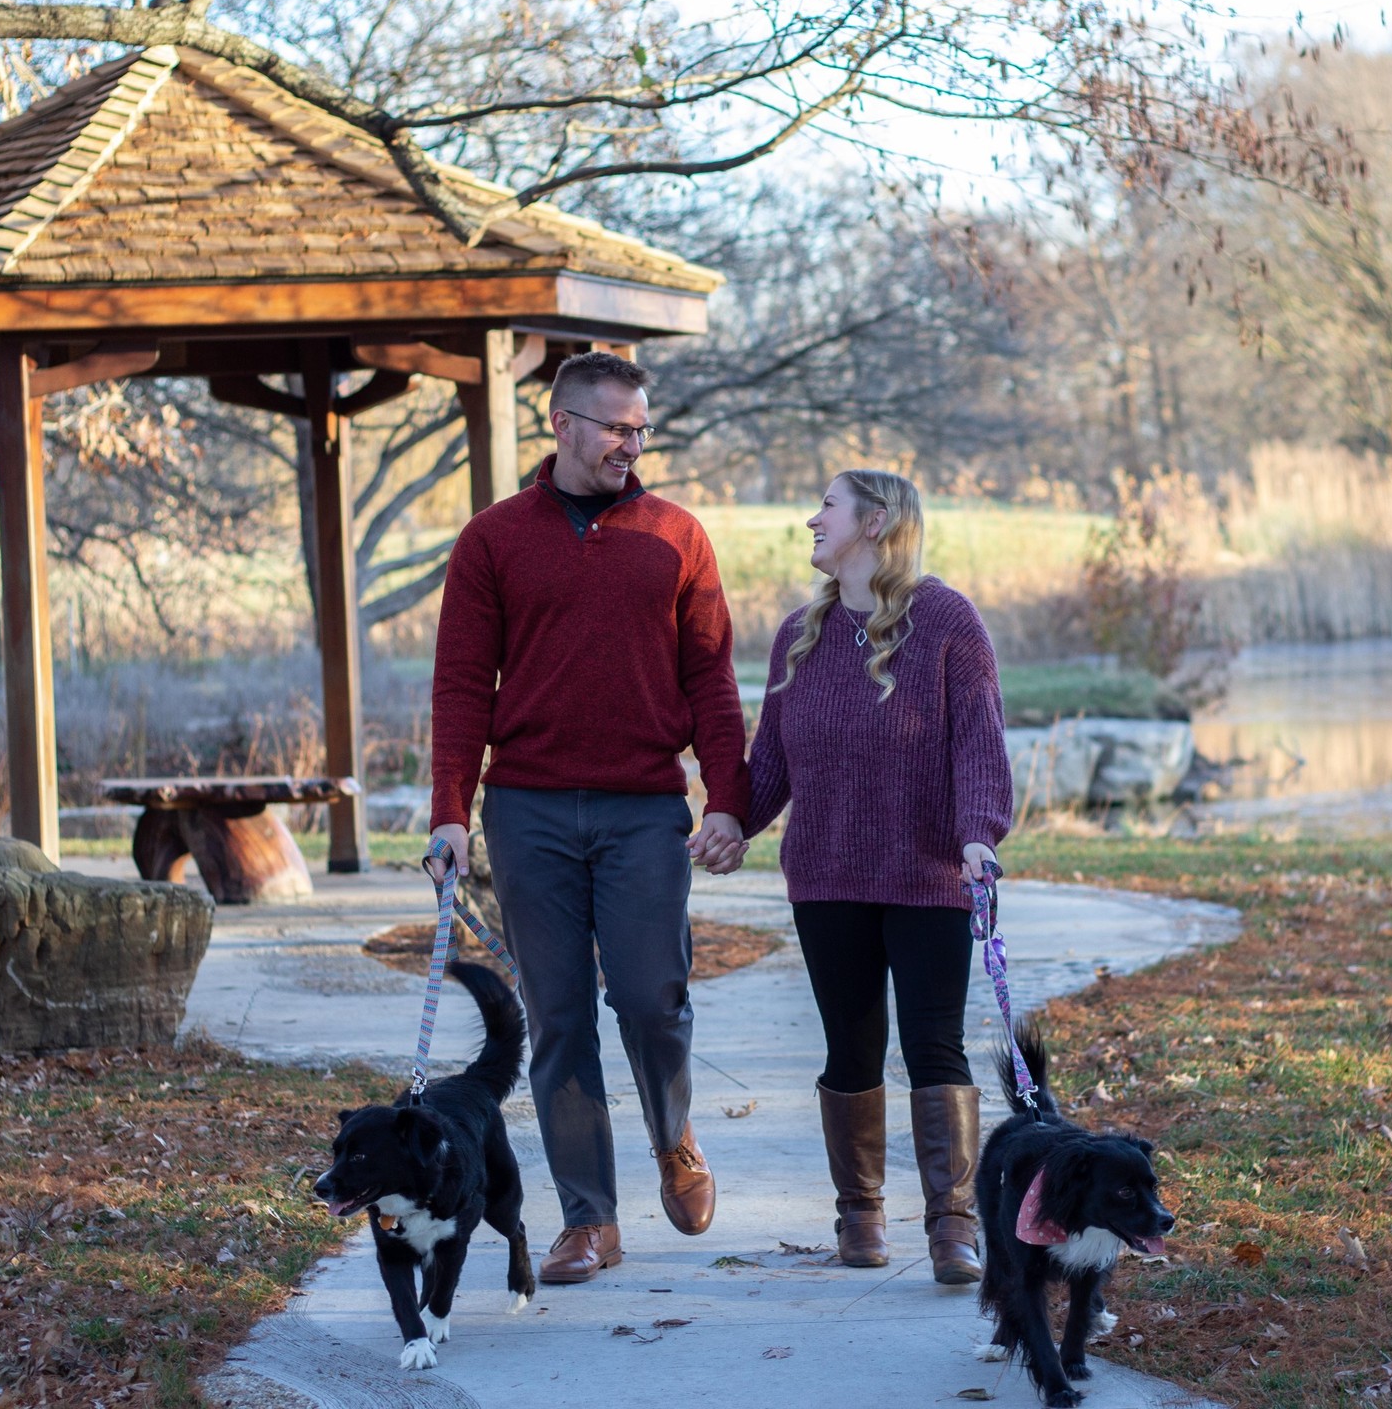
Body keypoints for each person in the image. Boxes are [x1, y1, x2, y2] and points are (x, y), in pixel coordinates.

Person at [427, 351, 750, 1285]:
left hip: (643, 805)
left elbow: (711, 681)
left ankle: (673, 1133)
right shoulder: (492, 540)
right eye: (616, 427)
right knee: (558, 1013)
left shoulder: (676, 537)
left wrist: (725, 797)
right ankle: (589, 1220)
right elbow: (460, 687)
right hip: (526, 808)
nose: (632, 444)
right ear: (562, 424)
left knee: (652, 998)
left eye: (641, 429)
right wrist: (451, 810)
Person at [744, 468, 1012, 1285]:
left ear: (876, 521)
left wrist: (978, 836)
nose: (811, 519)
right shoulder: (800, 632)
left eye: (825, 505)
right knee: (851, 1046)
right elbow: (769, 764)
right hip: (826, 875)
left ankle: (952, 1226)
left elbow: (979, 741)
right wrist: (725, 823)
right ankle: (859, 1216)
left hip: (930, 870)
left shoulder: (945, 621)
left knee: (935, 1045)